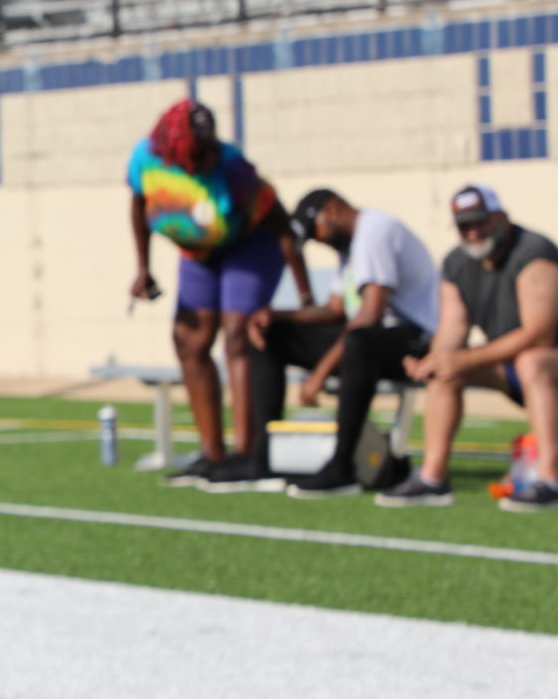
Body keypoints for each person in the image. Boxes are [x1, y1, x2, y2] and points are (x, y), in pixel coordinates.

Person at [127, 99, 312, 490]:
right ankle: (212, 455)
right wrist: (143, 268)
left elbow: (283, 229)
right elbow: (139, 206)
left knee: (235, 336)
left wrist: (305, 293)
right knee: (189, 342)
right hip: (198, 252)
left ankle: (245, 456)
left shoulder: (233, 169)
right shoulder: (146, 160)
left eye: (212, 146)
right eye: (200, 151)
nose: (209, 155)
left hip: (251, 245)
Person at [241, 189, 439, 497]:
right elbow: (334, 310)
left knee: (359, 341)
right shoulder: (350, 247)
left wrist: (319, 373)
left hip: (414, 339)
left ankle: (342, 466)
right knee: (268, 336)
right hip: (371, 338)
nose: (317, 240)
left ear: (332, 209)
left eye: (315, 231)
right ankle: (264, 458)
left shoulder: (375, 231)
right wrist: (274, 314)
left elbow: (370, 315)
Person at [375, 184, 558, 510]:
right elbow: (452, 330)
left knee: (531, 360)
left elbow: (540, 334)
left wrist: (464, 358)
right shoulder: (457, 263)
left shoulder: (533, 250)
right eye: (464, 225)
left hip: (546, 364)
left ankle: (550, 478)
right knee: (446, 372)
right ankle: (433, 479)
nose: (473, 232)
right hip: (513, 368)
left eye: (480, 222)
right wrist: (433, 362)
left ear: (500, 217)